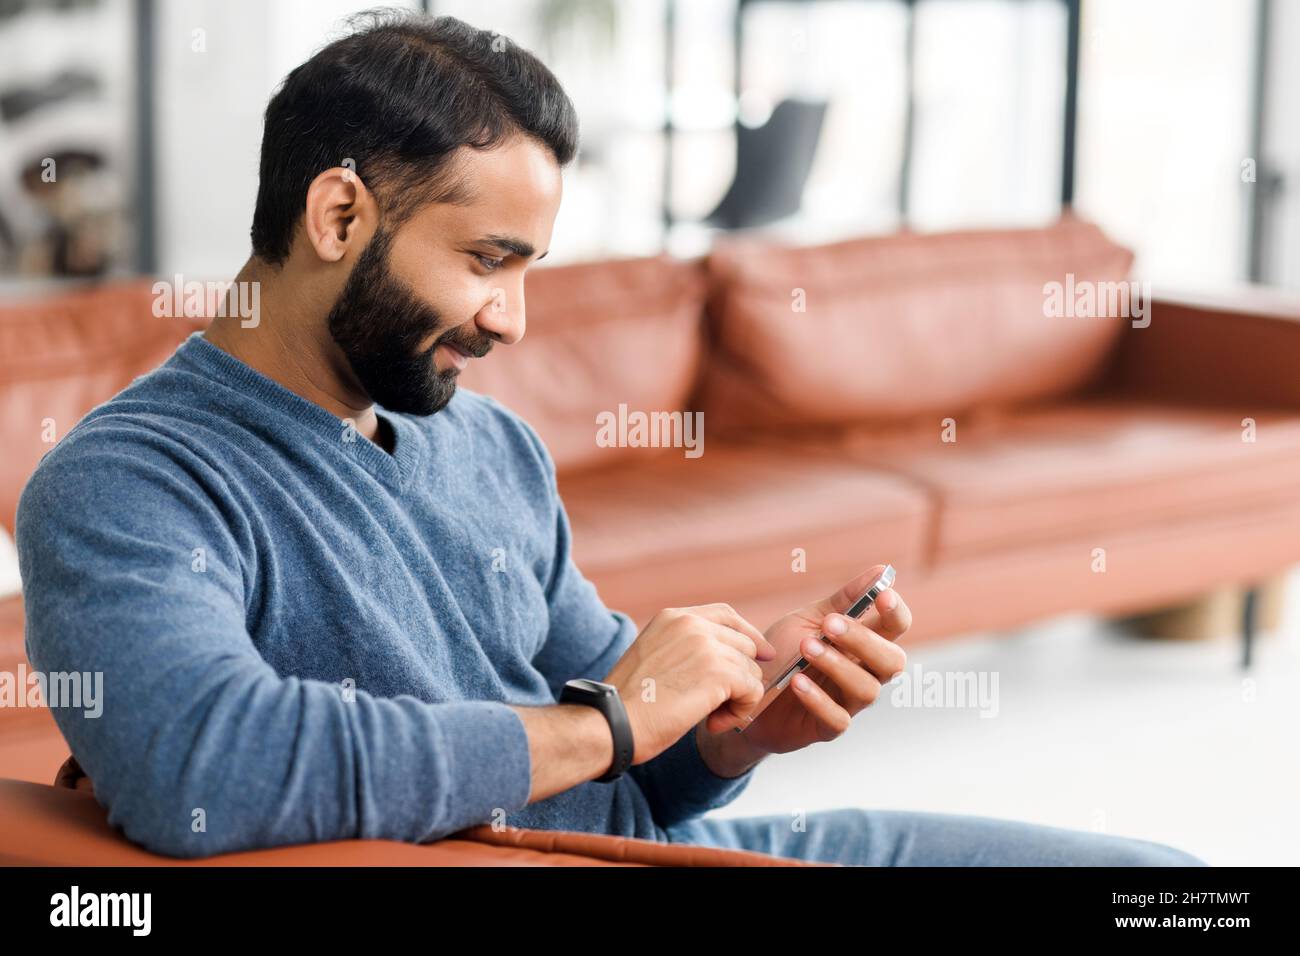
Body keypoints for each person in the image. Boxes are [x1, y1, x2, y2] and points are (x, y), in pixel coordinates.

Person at [16, 11, 1204, 866]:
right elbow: (201, 767)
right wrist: (608, 719)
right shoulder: (127, 484)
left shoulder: (487, 447)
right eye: (488, 262)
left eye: (529, 270)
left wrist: (732, 732)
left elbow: (638, 771)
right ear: (338, 214)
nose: (514, 320)